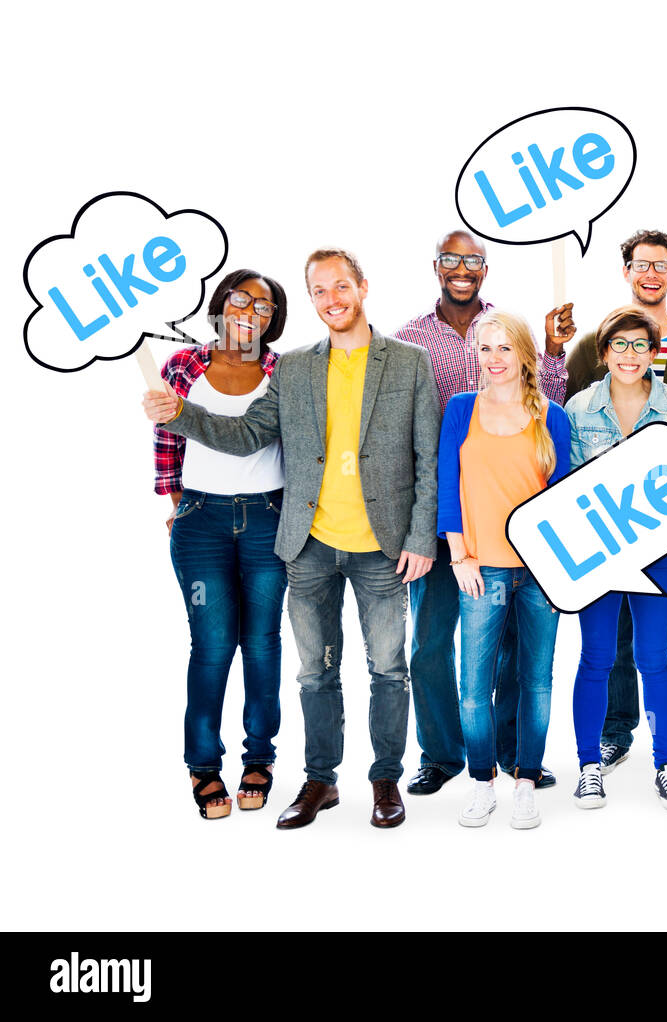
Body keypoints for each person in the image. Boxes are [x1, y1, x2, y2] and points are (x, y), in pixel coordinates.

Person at [144, 248, 438, 830]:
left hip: (383, 549)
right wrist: (180, 414)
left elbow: (428, 457)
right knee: (313, 673)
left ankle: (384, 779)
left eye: (340, 286)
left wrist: (422, 535)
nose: (332, 299)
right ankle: (319, 781)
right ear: (311, 302)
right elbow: (248, 431)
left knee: (388, 669)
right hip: (306, 545)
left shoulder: (409, 362)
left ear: (362, 287)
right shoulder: (297, 367)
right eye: (319, 291)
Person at [395, 229, 573, 794]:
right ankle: (444, 757)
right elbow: (419, 445)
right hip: (444, 520)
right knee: (429, 645)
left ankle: (510, 756)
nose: (462, 268)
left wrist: (553, 350)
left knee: (511, 658)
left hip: (514, 536)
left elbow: (549, 408)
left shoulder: (511, 329)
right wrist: (447, 539)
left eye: (474, 260)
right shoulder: (409, 341)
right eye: (452, 259)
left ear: (486, 268)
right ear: (436, 266)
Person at [566, 229, 667, 774]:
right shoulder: (595, 342)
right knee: (611, 631)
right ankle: (616, 731)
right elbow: (558, 418)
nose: (651, 273)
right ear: (627, 272)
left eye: (660, 264)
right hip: (606, 521)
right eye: (641, 264)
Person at [154, 268, 289, 819]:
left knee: (262, 642)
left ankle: (260, 757)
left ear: (274, 320)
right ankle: (203, 765)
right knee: (211, 645)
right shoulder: (183, 366)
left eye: (265, 307)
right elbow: (166, 435)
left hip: (268, 519)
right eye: (242, 299)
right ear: (221, 303)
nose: (251, 312)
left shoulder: (285, 371)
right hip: (201, 520)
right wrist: (174, 501)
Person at [439, 311, 570, 830]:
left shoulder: (550, 416)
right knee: (474, 687)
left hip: (539, 571)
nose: (494, 360)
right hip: (480, 567)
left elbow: (562, 499)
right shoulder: (459, 410)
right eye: (485, 348)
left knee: (536, 681)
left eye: (504, 349)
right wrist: (459, 554)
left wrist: (560, 571)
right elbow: (449, 486)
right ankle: (481, 782)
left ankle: (526, 782)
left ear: (524, 355)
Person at [565, 306, 667, 809]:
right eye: (619, 345)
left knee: (654, 657)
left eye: (639, 345)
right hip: (598, 555)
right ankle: (589, 766)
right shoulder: (579, 408)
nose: (629, 354)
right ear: (603, 353)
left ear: (654, 352)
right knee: (596, 658)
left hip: (658, 552)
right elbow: (571, 485)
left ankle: (666, 764)